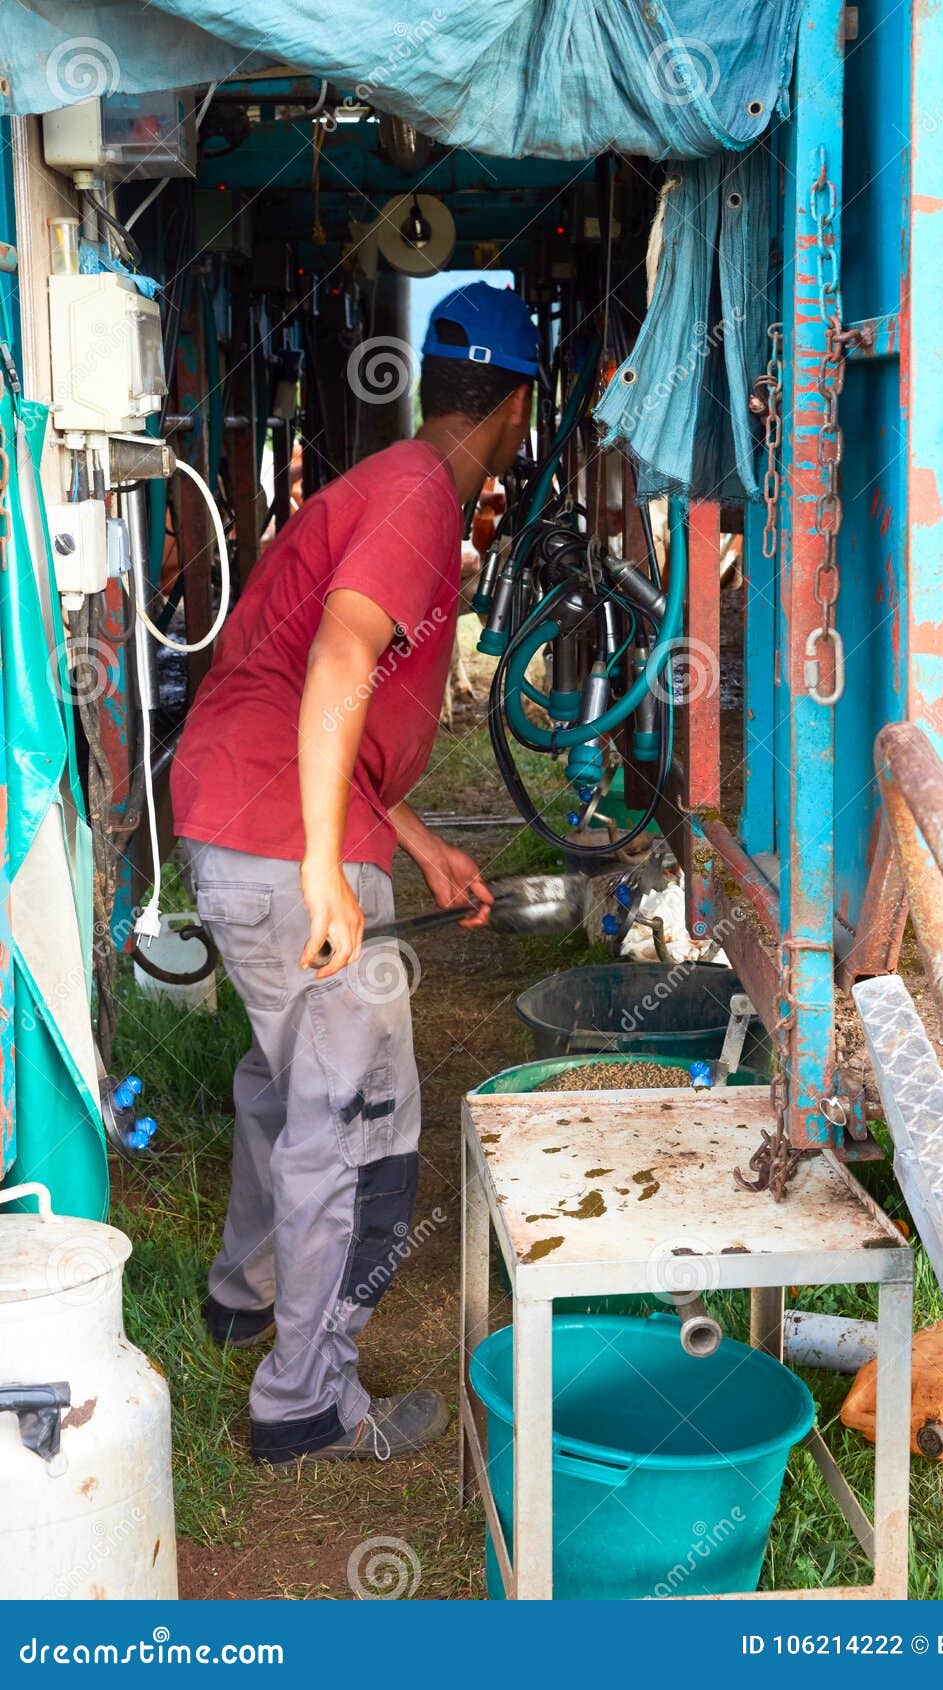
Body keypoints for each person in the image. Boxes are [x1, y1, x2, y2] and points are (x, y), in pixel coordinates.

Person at [170, 283, 537, 1467]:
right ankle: (307, 1401)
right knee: (359, 1118)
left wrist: (409, 837)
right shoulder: (422, 499)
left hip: (235, 815)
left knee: (286, 1083)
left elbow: (314, 692)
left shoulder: (387, 482)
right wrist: (330, 868)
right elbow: (339, 654)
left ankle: (243, 1292)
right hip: (281, 838)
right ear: (517, 407)